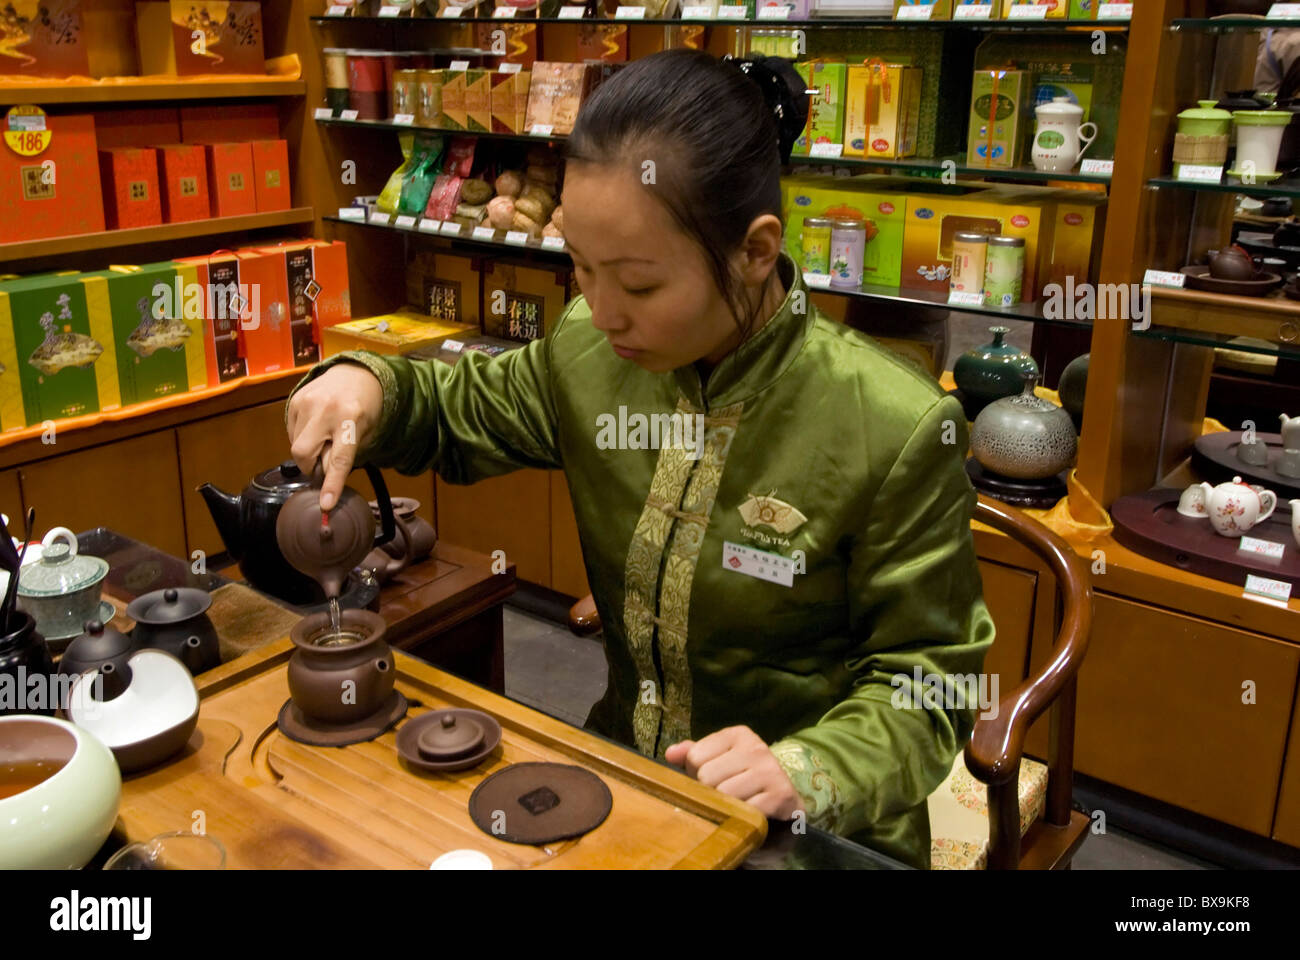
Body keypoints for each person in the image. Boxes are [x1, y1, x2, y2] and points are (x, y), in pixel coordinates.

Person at [285, 48, 995, 869]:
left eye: (640, 284)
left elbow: (931, 684)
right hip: (628, 783)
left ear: (756, 252)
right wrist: (366, 383)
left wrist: (809, 768)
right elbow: (457, 408)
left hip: (810, 835)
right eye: (582, 267)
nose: (602, 311)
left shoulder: (891, 424)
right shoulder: (589, 351)